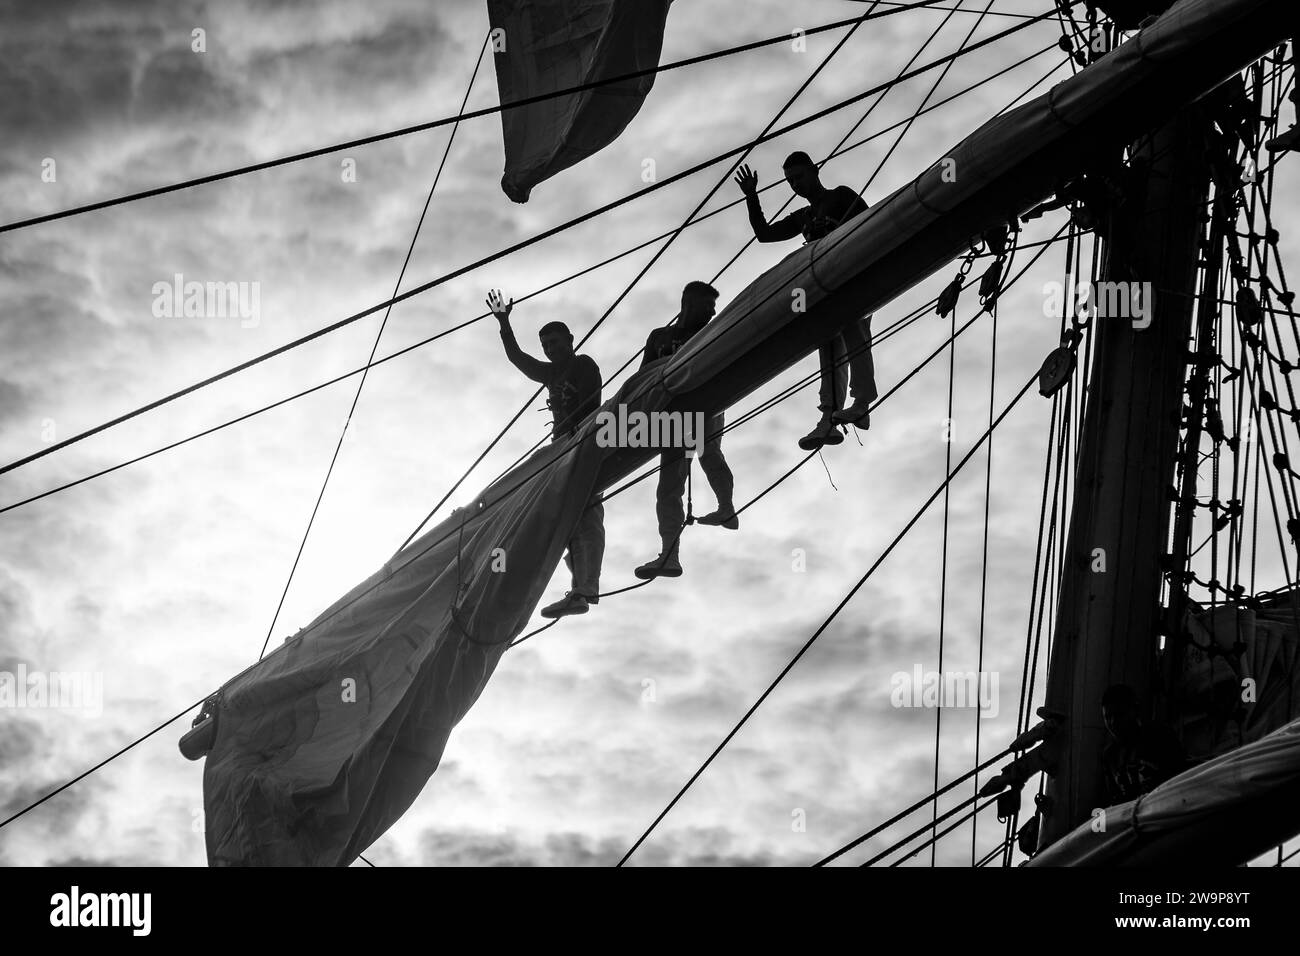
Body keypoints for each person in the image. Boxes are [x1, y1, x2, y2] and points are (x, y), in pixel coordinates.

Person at [734, 151, 877, 450]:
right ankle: (829, 417)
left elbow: (870, 224)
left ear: (815, 171)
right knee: (827, 345)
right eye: (790, 181)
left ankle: (862, 401)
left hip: (854, 276)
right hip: (825, 286)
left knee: (854, 332)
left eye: (799, 177)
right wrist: (751, 196)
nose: (796, 185)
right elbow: (764, 234)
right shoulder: (805, 217)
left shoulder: (840, 197)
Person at [487, 289, 604, 619]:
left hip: (582, 439)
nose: (551, 349)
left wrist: (577, 433)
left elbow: (592, 401)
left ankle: (586, 586)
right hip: (561, 446)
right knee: (564, 514)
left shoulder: (582, 364)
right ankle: (580, 587)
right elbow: (518, 359)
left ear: (570, 340)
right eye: (546, 346)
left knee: (588, 509)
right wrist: (504, 323)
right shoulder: (550, 374)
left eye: (555, 342)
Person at [633, 281, 737, 580]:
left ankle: (726, 508)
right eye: (707, 306)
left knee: (709, 453)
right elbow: (644, 376)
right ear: (688, 304)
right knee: (669, 487)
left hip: (706, 404)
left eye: (714, 307)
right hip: (673, 416)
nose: (712, 312)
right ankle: (669, 555)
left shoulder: (713, 332)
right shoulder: (660, 336)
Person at [1100, 684, 1186, 804]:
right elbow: (1115, 800)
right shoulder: (1110, 755)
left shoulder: (1160, 736)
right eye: (1107, 717)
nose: (1113, 722)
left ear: (1134, 710)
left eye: (1119, 715)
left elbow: (1181, 780)